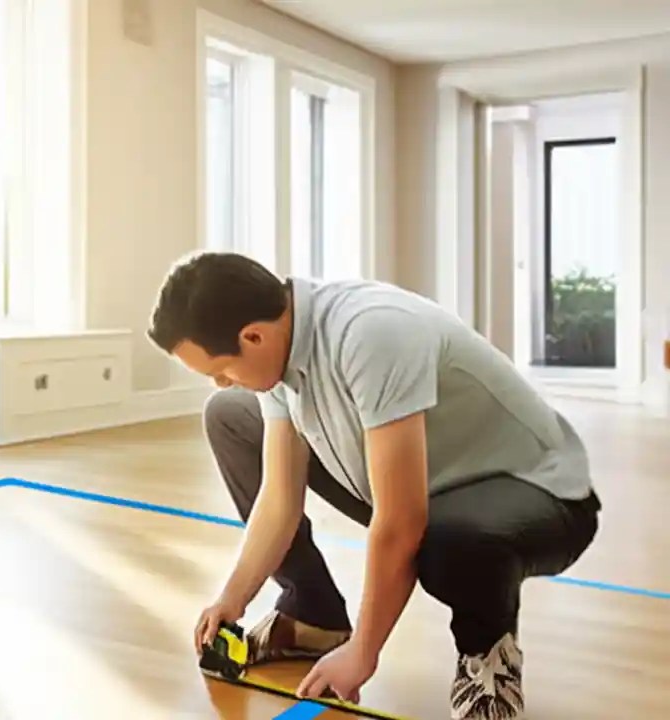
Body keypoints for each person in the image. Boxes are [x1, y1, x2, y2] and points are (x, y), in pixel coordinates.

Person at [146, 251, 601, 720]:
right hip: (431, 484)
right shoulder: (278, 354)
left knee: (448, 539)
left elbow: (402, 521)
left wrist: (364, 652)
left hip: (537, 491)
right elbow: (280, 498)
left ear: (253, 336)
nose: (221, 382)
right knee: (230, 417)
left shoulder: (371, 333)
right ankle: (313, 614)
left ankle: (488, 655)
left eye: (218, 370)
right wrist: (232, 597)